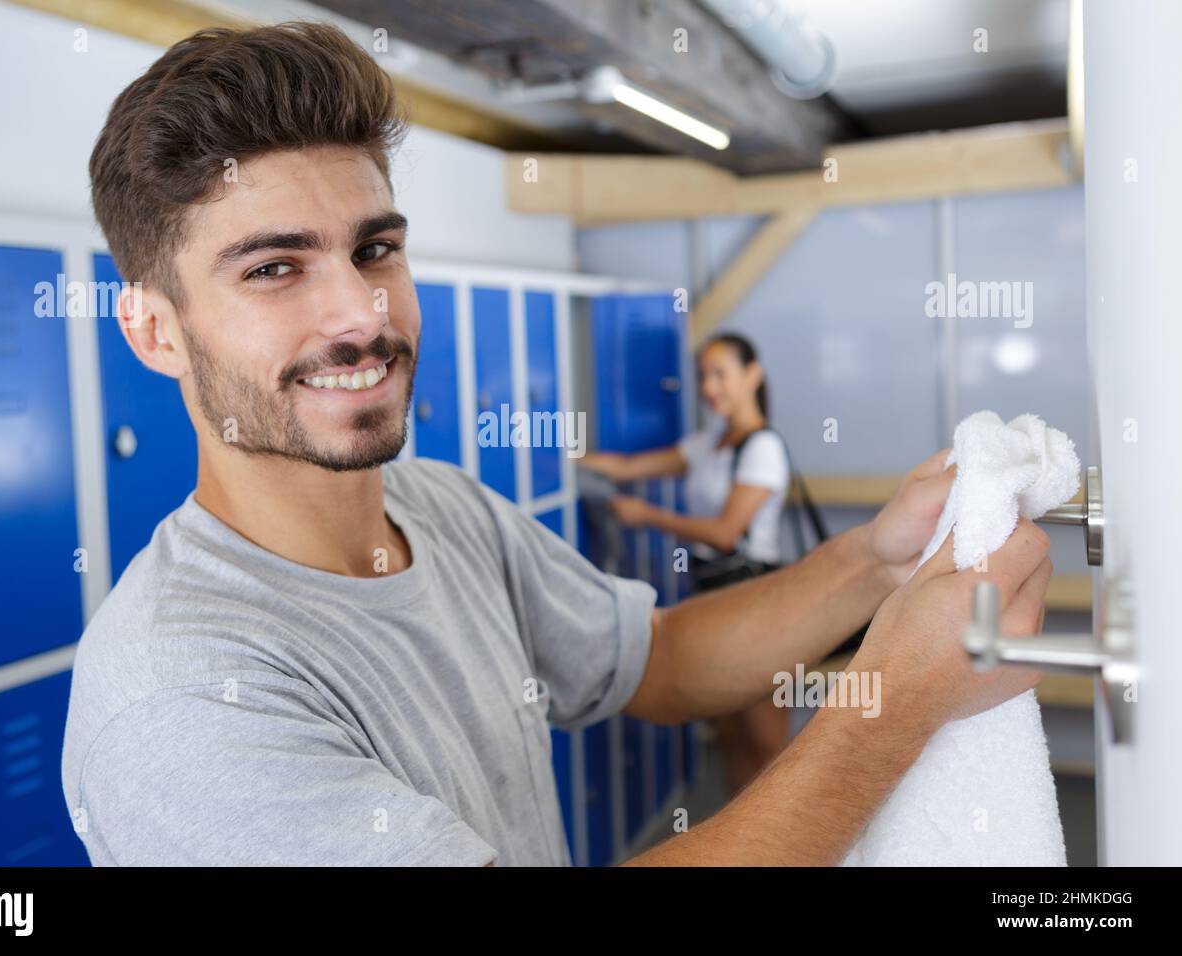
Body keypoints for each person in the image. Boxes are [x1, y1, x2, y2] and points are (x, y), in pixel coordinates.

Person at [61, 21, 1052, 866]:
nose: (358, 313)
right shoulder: (177, 694)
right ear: (153, 330)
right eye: (274, 268)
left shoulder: (440, 507)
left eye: (374, 249)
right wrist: (895, 705)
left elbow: (657, 657)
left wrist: (877, 557)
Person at [578, 333, 794, 796]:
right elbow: (632, 466)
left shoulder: (763, 449)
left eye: (721, 374)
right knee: (730, 739)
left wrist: (648, 516)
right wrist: (562, 457)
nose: (709, 386)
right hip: (714, 601)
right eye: (703, 376)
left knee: (769, 750)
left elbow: (724, 533)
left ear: (752, 375)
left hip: (758, 605)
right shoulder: (708, 443)